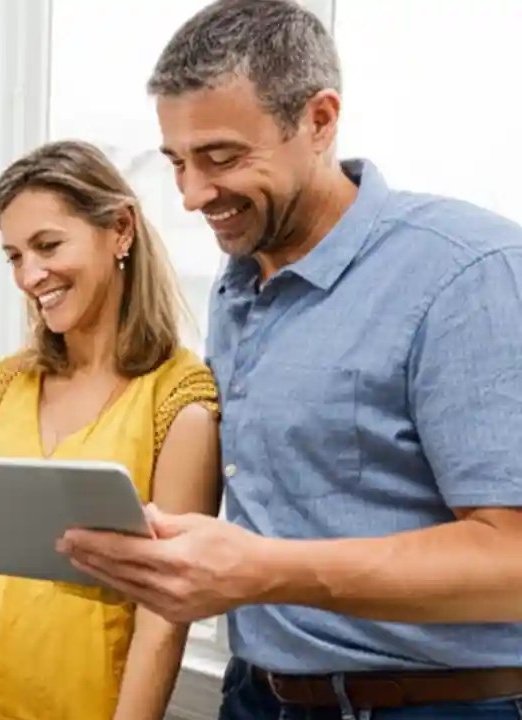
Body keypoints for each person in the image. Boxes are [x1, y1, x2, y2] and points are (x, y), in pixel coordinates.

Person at [55, 2, 522, 719]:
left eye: (221, 157)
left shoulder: (466, 273)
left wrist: (264, 573)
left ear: (320, 121)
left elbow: (512, 564)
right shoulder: (241, 282)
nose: (191, 195)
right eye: (178, 162)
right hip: (258, 696)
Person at [0, 139, 222, 720]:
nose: (30, 275)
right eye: (13, 256)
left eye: (48, 245)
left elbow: (164, 617)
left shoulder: (178, 399)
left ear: (120, 229)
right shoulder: (7, 383)